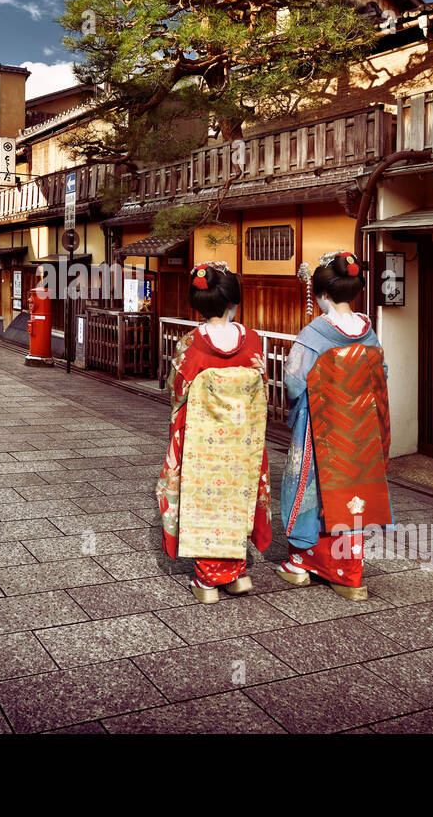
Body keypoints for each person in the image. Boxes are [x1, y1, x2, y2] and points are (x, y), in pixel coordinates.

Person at [276, 250, 392, 601]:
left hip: (322, 427)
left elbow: (295, 383)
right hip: (360, 431)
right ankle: (347, 567)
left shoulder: (314, 335)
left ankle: (306, 559)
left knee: (313, 487)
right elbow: (381, 378)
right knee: (351, 491)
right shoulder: (369, 333)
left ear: (323, 294)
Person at [155, 262, 273, 603]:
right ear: (234, 302)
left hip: (201, 444)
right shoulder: (252, 340)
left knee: (205, 502)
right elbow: (262, 390)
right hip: (243, 441)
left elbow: (178, 394)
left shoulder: (191, 343)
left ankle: (208, 581)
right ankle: (235, 573)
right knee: (237, 496)